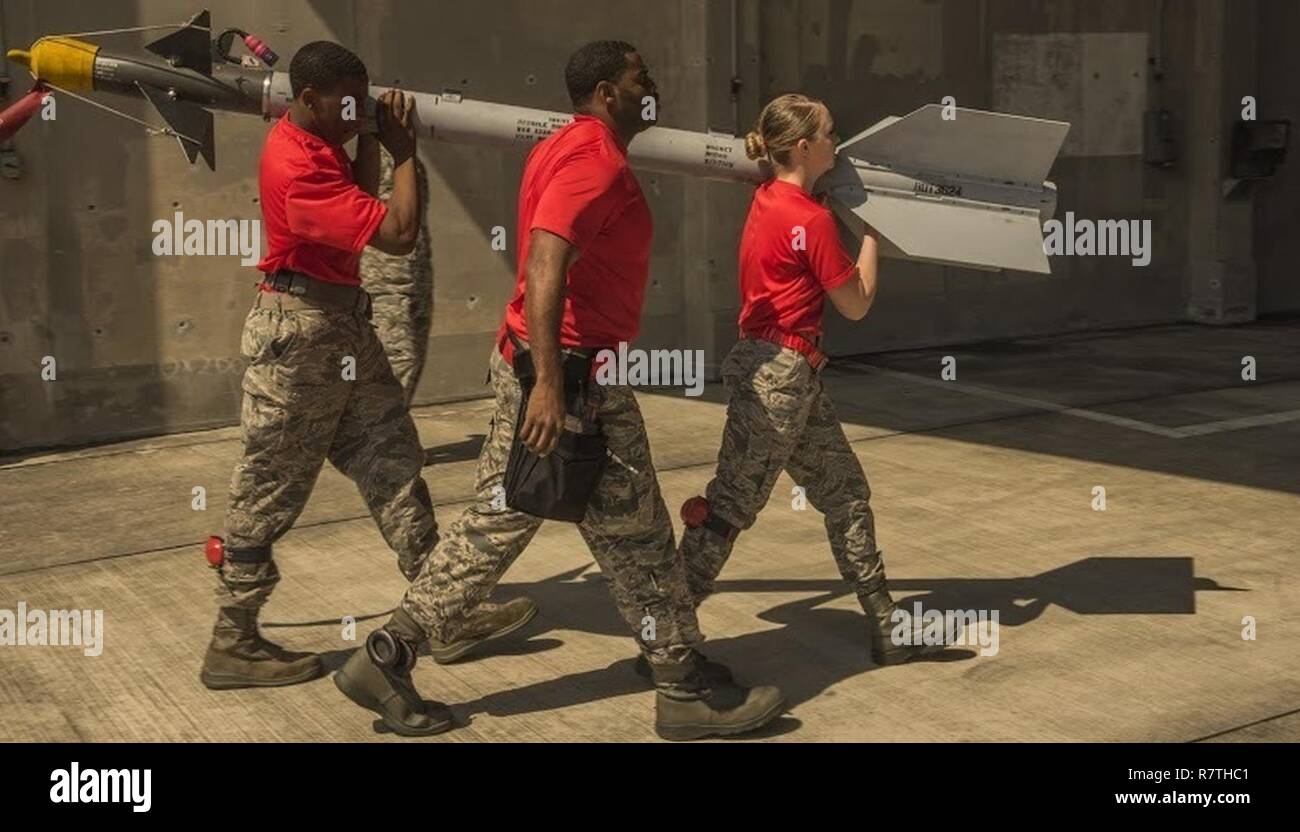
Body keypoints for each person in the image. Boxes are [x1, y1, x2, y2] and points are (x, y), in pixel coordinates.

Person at [332, 41, 786, 740]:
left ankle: (389, 654)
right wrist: (548, 383)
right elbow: (546, 260)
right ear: (607, 92)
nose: (653, 84)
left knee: (548, 525)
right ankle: (679, 684)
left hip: (562, 368)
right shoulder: (591, 160)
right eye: (641, 78)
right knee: (618, 532)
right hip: (572, 378)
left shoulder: (567, 146)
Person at [201, 41, 535, 691]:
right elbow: (397, 235)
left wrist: (369, 138)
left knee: (395, 464)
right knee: (269, 488)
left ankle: (442, 611)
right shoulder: (294, 164)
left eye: (363, 98)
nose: (357, 110)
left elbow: (354, 195)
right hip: (298, 341)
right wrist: (404, 150)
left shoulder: (320, 139)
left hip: (343, 328)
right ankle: (231, 640)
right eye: (346, 103)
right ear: (306, 99)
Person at [676, 93, 942, 666]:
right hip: (780, 378)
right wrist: (877, 234)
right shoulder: (813, 220)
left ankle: (888, 627)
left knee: (845, 495)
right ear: (803, 147)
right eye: (829, 133)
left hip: (787, 374)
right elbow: (856, 305)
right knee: (726, 512)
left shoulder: (768, 198)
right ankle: (665, 636)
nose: (837, 142)